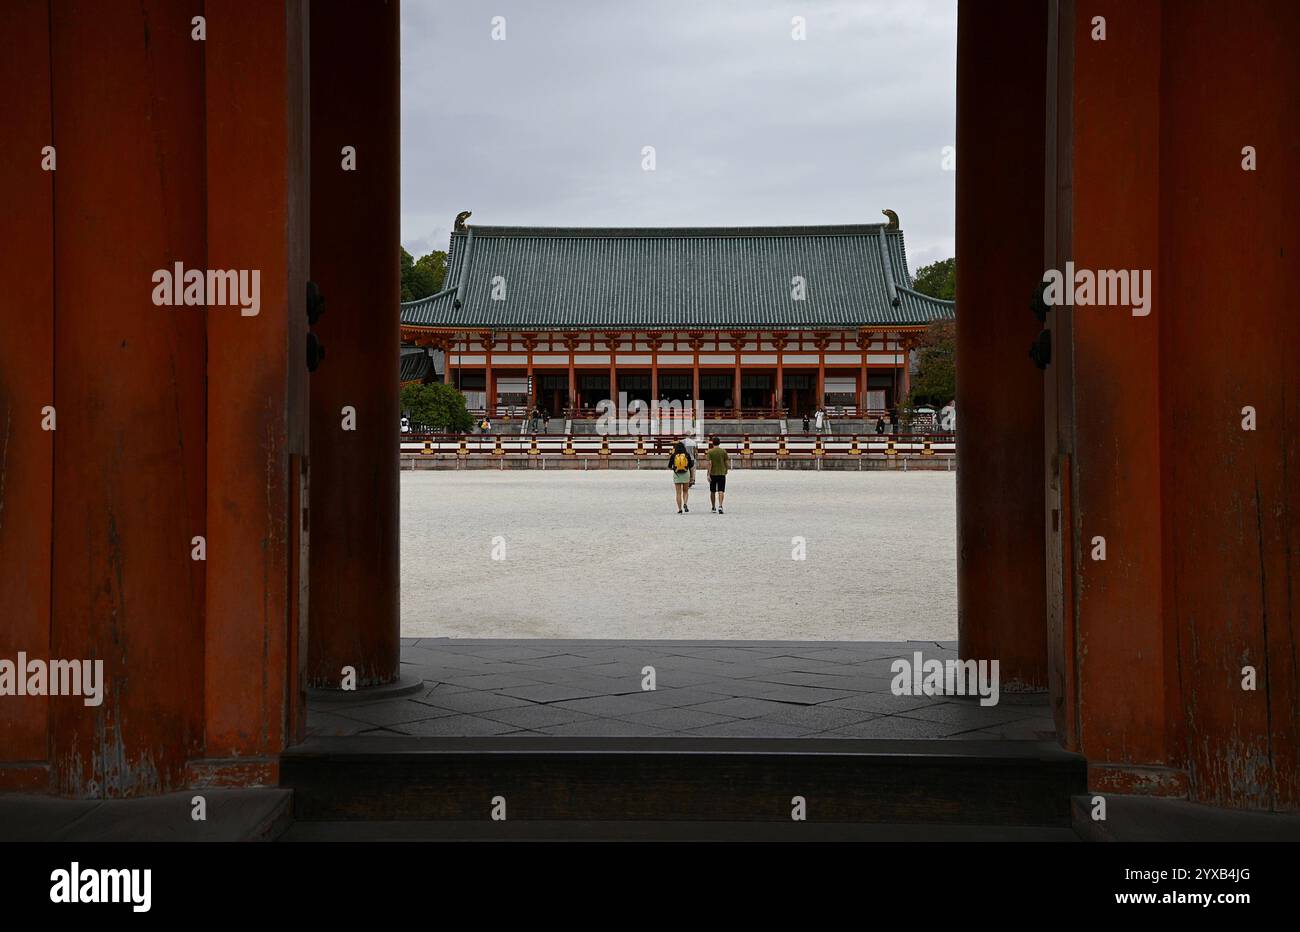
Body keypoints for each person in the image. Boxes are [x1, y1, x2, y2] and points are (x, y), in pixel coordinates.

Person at [705, 435, 729, 514]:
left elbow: (709, 463)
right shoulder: (723, 451)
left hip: (713, 473)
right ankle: (720, 505)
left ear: (712, 443)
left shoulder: (710, 452)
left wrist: (708, 473)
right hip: (721, 473)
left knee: (712, 491)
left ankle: (713, 506)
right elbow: (726, 462)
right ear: (719, 443)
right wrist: (726, 469)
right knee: (721, 490)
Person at [669, 438, 694, 513]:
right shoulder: (687, 455)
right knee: (685, 491)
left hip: (677, 474)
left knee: (678, 492)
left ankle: (680, 509)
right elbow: (691, 466)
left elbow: (670, 466)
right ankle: (685, 503)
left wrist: (675, 468)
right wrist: (692, 477)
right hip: (686, 473)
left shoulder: (674, 455)